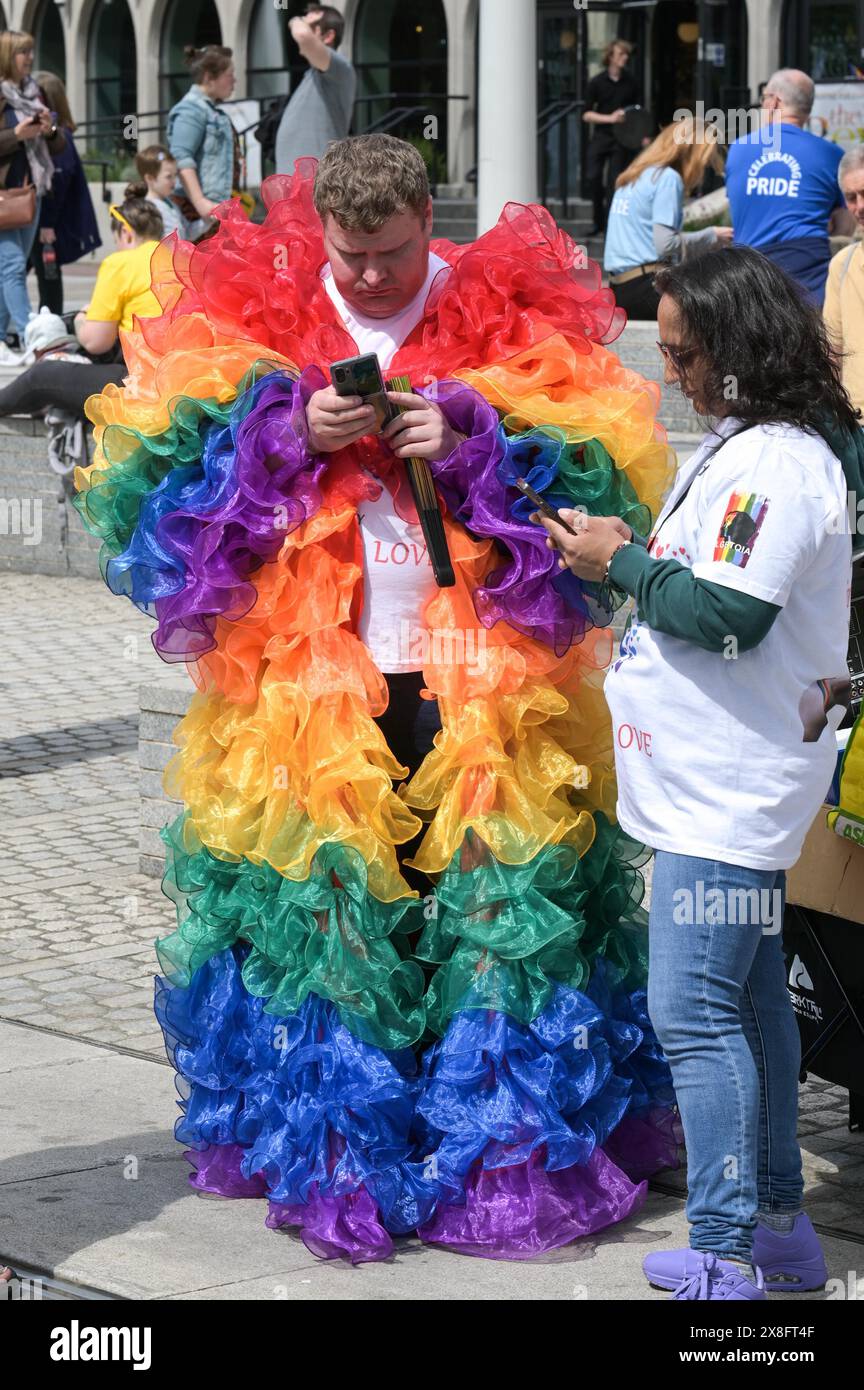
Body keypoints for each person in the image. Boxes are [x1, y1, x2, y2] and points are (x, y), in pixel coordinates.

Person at [75, 133, 683, 1263]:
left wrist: (469, 440)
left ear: (425, 225)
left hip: (483, 675)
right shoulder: (268, 309)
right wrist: (287, 435)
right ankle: (343, 1151)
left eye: (390, 255)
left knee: (491, 909)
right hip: (314, 686)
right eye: (351, 257)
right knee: (332, 917)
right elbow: (161, 500)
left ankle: (498, 1159)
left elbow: (598, 484)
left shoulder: (497, 305)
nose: (366, 279)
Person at [540, 242, 863, 1299]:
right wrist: (635, 552)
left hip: (726, 796)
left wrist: (617, 562)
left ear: (735, 350)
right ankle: (777, 1230)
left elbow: (728, 614)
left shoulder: (778, 460)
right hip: (712, 783)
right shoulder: (758, 442)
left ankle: (724, 1251)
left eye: (681, 353)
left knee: (696, 1013)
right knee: (755, 1003)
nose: (670, 369)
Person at [0, 185, 162, 417]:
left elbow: (96, 342)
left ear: (126, 233)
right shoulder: (181, 257)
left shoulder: (121, 262)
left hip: (145, 385)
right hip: (189, 378)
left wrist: (81, 318)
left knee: (43, 375)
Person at [725, 69, 856, 307]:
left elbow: (739, 207)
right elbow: (846, 226)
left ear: (775, 101)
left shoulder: (738, 149)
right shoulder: (832, 154)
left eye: (764, 98)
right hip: (808, 276)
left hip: (748, 274)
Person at [604, 119, 733, 320]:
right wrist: (711, 236)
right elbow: (665, 244)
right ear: (692, 153)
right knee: (725, 307)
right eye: (705, 160)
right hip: (646, 288)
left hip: (619, 288)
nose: (703, 170)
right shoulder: (668, 179)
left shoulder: (635, 176)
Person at [0, 29, 65, 359]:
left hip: (31, 191)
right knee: (10, 265)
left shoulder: (34, 92)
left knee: (12, 265)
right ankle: (34, 336)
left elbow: (59, 144)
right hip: (4, 194)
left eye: (30, 51)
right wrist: (16, 134)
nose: (29, 58)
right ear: (7, 57)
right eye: (22, 52)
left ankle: (0, 337)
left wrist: (48, 129)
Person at [30, 70, 101, 317]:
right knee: (39, 272)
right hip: (44, 218)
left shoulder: (57, 137)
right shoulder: (60, 133)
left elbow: (58, 178)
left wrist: (47, 223)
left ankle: (50, 323)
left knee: (46, 274)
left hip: (47, 222)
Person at [167, 45, 237, 240]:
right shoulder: (191, 111)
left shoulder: (210, 111)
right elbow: (181, 157)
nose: (234, 81)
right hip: (198, 213)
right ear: (209, 77)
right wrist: (200, 202)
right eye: (229, 75)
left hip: (212, 210)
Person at [275, 6, 355, 176]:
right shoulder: (313, 74)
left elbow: (303, 36)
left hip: (318, 186)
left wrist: (296, 20)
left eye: (311, 27)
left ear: (328, 36)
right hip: (301, 188)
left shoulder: (340, 68)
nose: (301, 32)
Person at [583, 39, 641, 236]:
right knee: (593, 177)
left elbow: (638, 111)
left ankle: (609, 225)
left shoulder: (631, 82)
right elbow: (586, 114)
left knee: (614, 183)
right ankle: (596, 220)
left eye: (626, 55)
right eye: (620, 55)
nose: (624, 58)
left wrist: (638, 131)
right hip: (601, 136)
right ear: (610, 57)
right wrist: (609, 118)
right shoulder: (596, 82)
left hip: (621, 139)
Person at [823, 144, 864, 415]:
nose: (860, 206)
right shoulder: (843, 263)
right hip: (856, 420)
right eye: (851, 197)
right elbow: (832, 351)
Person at [135, 145, 189, 241]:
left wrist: (208, 220)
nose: (174, 181)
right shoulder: (148, 210)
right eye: (169, 176)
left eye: (175, 175)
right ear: (150, 178)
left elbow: (187, 232)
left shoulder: (171, 203)